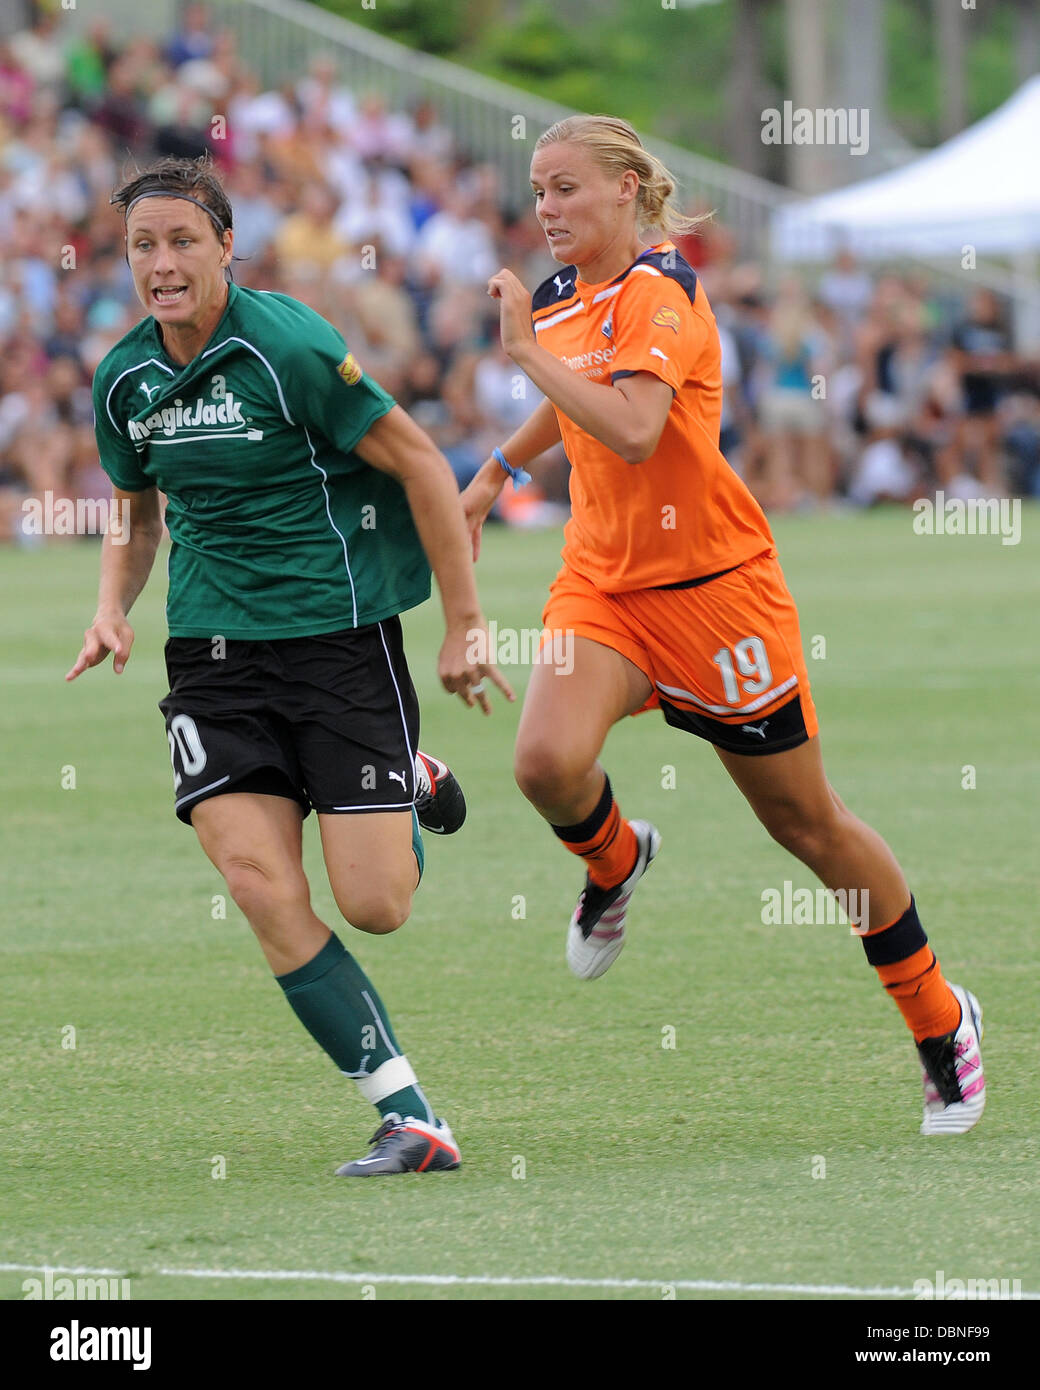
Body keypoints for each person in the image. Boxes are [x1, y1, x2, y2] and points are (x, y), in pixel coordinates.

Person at [461, 116, 984, 1137]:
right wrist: (495, 469)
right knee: (542, 762)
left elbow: (629, 422)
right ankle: (614, 861)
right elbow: (575, 399)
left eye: (565, 188)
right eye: (536, 191)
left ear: (624, 190)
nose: (546, 210)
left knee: (806, 826)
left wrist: (519, 352)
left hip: (715, 596)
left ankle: (938, 1018)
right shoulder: (565, 296)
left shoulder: (665, 291)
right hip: (604, 588)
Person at [67, 154, 511, 1176]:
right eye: (144, 246)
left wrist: (463, 623)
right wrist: (109, 611)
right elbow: (137, 513)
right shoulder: (123, 375)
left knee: (376, 904)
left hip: (336, 644)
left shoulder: (287, 345)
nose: (163, 263)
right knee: (259, 883)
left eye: (183, 241)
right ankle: (409, 1116)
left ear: (227, 246)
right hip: (212, 658)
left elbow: (417, 466)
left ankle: (404, 773)